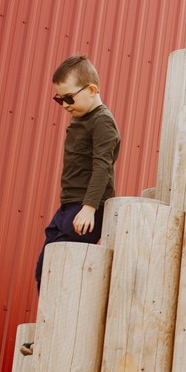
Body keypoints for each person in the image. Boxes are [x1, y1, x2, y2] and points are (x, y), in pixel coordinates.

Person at [35, 54, 121, 290]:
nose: (65, 105)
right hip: (69, 205)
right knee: (45, 269)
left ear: (91, 90)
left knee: (60, 270)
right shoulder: (79, 117)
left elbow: (102, 166)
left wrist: (89, 208)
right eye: (59, 99)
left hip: (87, 207)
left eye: (69, 98)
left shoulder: (102, 121)